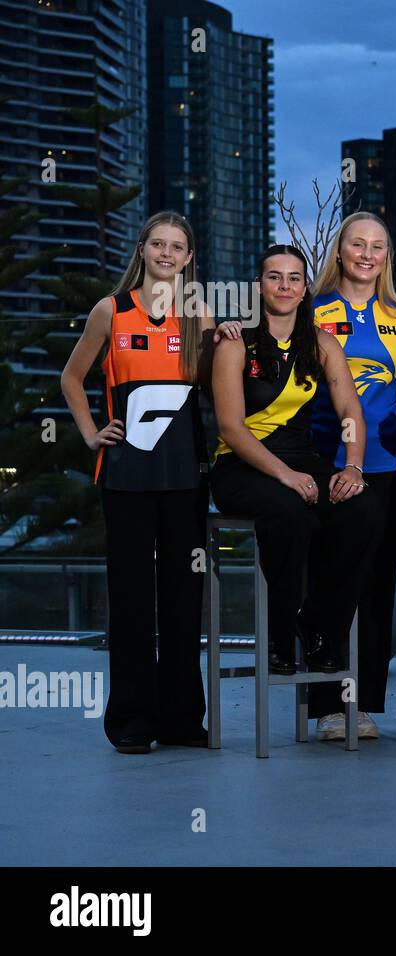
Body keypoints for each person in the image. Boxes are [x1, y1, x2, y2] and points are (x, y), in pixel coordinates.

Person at [61, 211, 240, 754]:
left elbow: (219, 387)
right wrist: (92, 433)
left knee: (185, 599)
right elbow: (71, 377)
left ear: (189, 258)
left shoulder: (198, 314)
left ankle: (182, 719)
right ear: (142, 249)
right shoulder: (109, 311)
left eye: (177, 246)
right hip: (126, 479)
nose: (167, 253)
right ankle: (132, 721)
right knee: (133, 599)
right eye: (158, 243)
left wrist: (227, 338)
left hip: (186, 478)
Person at [209, 244, 382, 738]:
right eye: (273, 277)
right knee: (292, 514)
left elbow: (350, 410)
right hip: (242, 463)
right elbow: (231, 428)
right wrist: (285, 476)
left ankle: (318, 623)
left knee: (365, 510)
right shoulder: (235, 343)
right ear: (258, 286)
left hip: (303, 456)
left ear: (305, 287)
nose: (284, 286)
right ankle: (281, 635)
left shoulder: (322, 342)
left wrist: (352, 467)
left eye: (293, 278)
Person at [310, 212, 396, 740]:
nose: (366, 254)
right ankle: (329, 701)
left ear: (386, 257)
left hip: (389, 464)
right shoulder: (312, 310)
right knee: (334, 579)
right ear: (340, 251)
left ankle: (368, 702)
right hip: (330, 463)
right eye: (357, 244)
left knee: (380, 584)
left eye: (377, 246)